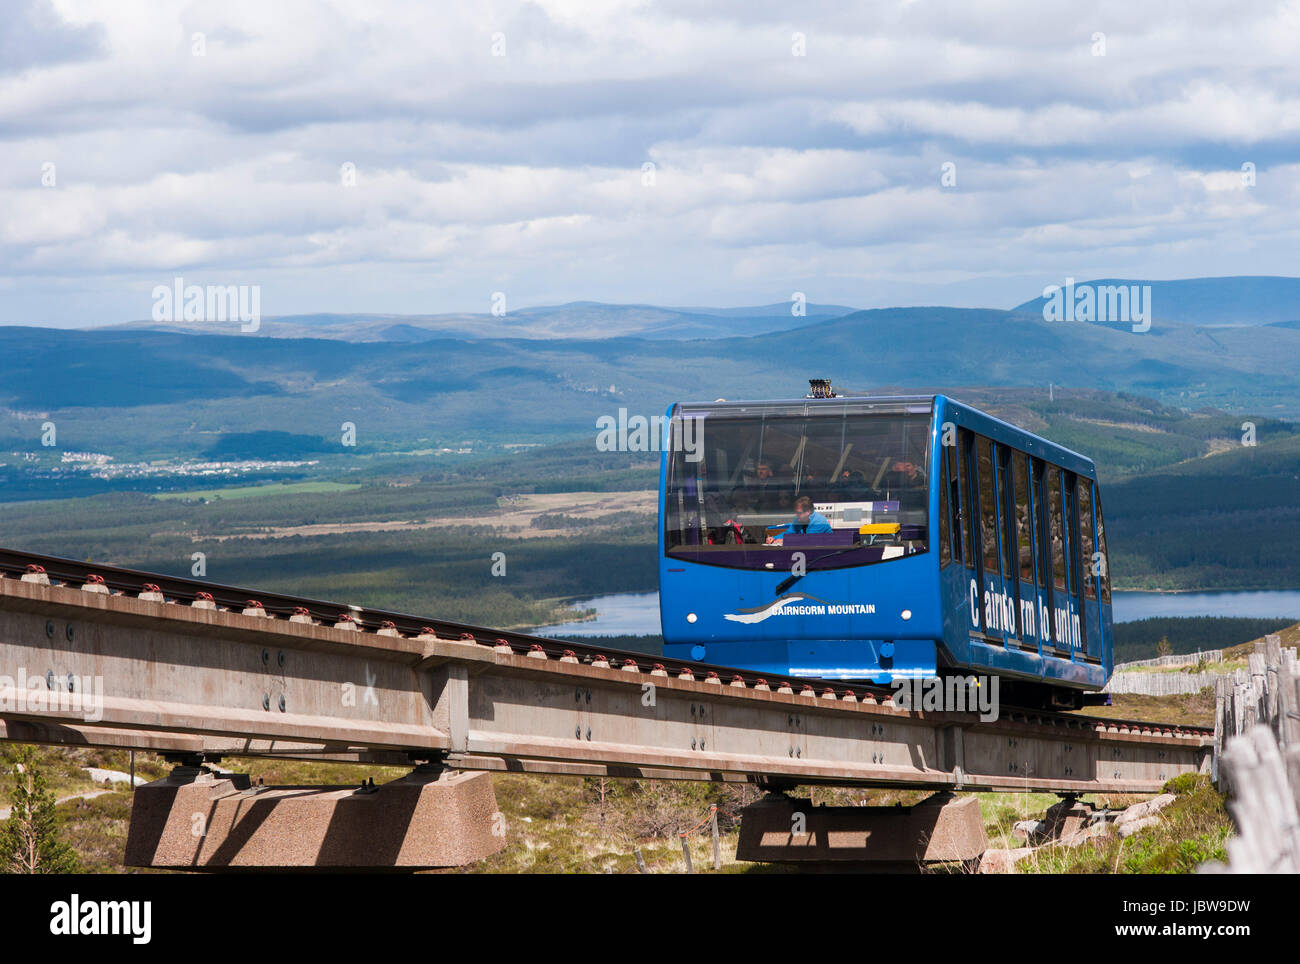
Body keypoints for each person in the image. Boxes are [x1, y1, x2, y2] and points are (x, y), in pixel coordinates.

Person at [766, 496, 833, 545]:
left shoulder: (819, 522)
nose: (796, 515)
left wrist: (786, 541)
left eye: (799, 513)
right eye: (796, 512)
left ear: (808, 512)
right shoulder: (799, 519)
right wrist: (774, 538)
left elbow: (808, 540)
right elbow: (789, 533)